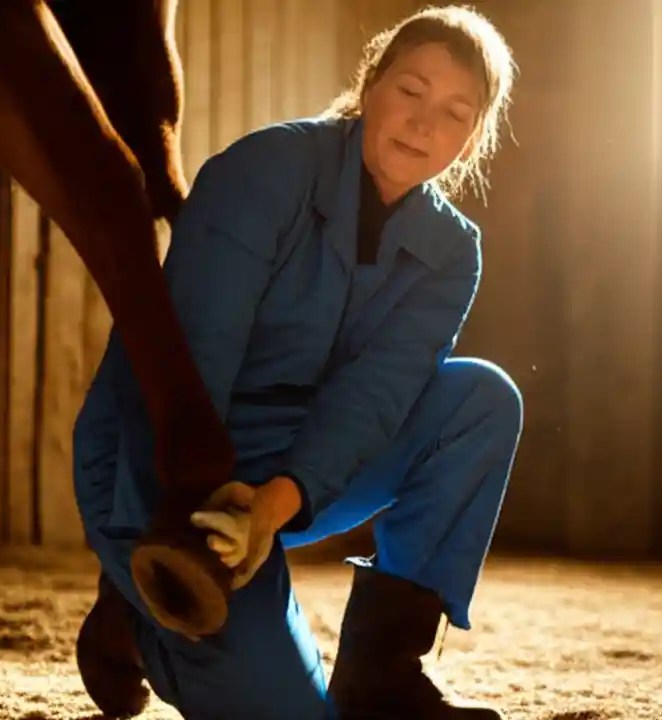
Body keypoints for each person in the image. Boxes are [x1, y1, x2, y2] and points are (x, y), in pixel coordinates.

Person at [74, 6, 521, 719]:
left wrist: (273, 506)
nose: (423, 122)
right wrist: (188, 524)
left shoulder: (452, 251)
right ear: (370, 83)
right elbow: (195, 355)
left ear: (472, 142)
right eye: (410, 90)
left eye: (455, 112)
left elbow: (377, 398)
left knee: (481, 400)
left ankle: (384, 675)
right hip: (165, 458)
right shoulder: (267, 168)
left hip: (290, 476)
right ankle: (135, 620)